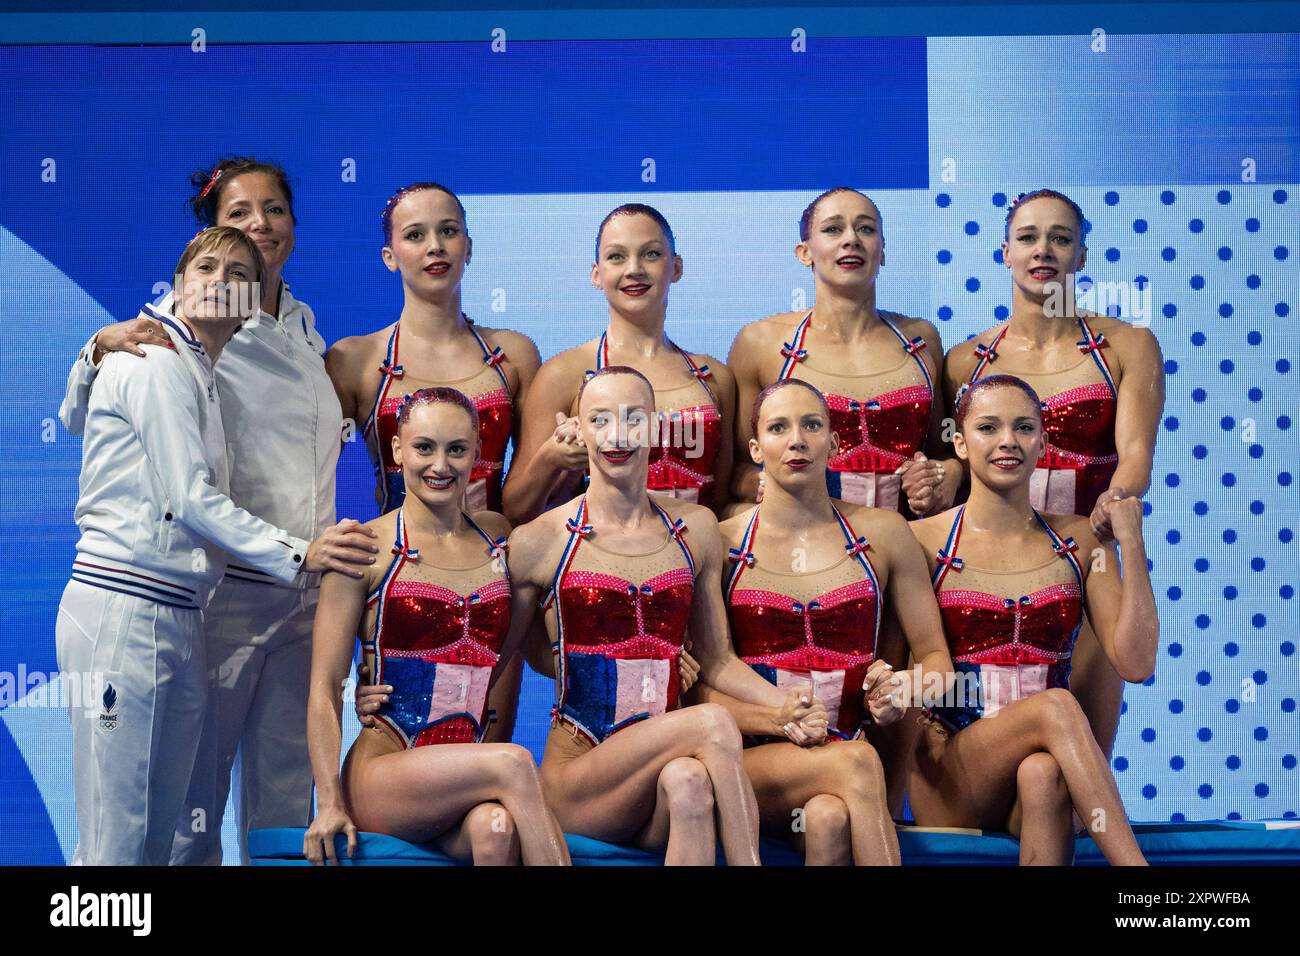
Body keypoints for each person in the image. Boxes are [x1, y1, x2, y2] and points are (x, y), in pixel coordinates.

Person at [59, 157, 374, 865]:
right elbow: (92, 417)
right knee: (177, 820)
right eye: (239, 214)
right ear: (206, 243)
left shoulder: (304, 327)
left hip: (304, 604)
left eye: (275, 210)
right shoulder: (173, 332)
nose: (261, 224)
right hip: (219, 597)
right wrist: (92, 348)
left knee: (286, 811)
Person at [500, 366, 825, 864]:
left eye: (633, 419)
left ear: (656, 428)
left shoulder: (695, 529)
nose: (616, 436)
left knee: (691, 782)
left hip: (657, 775)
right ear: (578, 430)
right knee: (712, 724)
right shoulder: (540, 540)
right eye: (600, 420)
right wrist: (379, 685)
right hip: (579, 780)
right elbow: (497, 658)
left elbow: (718, 660)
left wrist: (786, 705)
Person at [303, 387, 569, 866]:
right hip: (384, 769)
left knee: (496, 829)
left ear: (478, 454)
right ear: (397, 450)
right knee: (512, 761)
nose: (440, 465)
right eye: (424, 447)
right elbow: (324, 688)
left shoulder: (501, 539)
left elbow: (540, 649)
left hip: (462, 767)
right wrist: (329, 803)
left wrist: (669, 655)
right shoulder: (362, 548)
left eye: (457, 449)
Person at [942, 188, 1165, 757]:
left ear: (1081, 256)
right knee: (989, 751)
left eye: (1061, 239)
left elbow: (1135, 456)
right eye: (1028, 238)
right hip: (985, 568)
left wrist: (1112, 508)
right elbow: (955, 461)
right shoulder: (967, 361)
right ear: (1005, 253)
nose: (1044, 250)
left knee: (1080, 759)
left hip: (1084, 559)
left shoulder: (1127, 346)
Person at [697, 378, 954, 864]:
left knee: (827, 819)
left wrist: (903, 687)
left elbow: (938, 661)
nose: (796, 439)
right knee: (856, 761)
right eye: (779, 427)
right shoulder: (720, 543)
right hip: (749, 762)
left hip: (840, 764)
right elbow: (699, 682)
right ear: (756, 448)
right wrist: (776, 718)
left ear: (835, 443)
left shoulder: (885, 533)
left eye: (811, 425)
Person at [905, 374, 1157, 865]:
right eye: (987, 428)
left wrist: (1132, 543)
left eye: (1023, 428)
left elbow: (1137, 661)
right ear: (958, 442)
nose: (1007, 442)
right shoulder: (919, 542)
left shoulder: (1080, 540)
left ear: (1043, 442)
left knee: (1043, 775)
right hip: (951, 773)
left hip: (1035, 774)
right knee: (1056, 707)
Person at [727, 188, 957, 516]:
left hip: (907, 546)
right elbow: (734, 470)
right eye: (833, 229)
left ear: (883, 251)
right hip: (808, 549)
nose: (851, 239)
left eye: (866, 228)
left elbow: (945, 451)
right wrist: (760, 482)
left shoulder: (922, 339)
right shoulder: (760, 344)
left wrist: (945, 475)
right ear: (804, 252)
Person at [502, 204, 735, 524]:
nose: (634, 269)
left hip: (693, 562)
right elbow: (515, 510)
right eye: (617, 257)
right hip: (596, 566)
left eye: (651, 254)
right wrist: (551, 460)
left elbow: (724, 504)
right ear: (597, 274)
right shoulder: (563, 374)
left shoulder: (714, 379)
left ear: (676, 267)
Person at [326, 182, 541, 516]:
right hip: (397, 564)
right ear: (389, 257)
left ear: (468, 248)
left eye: (448, 231)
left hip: (498, 562)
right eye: (415, 235)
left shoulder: (515, 354)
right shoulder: (354, 361)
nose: (435, 246)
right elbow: (309, 481)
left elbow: (538, 491)